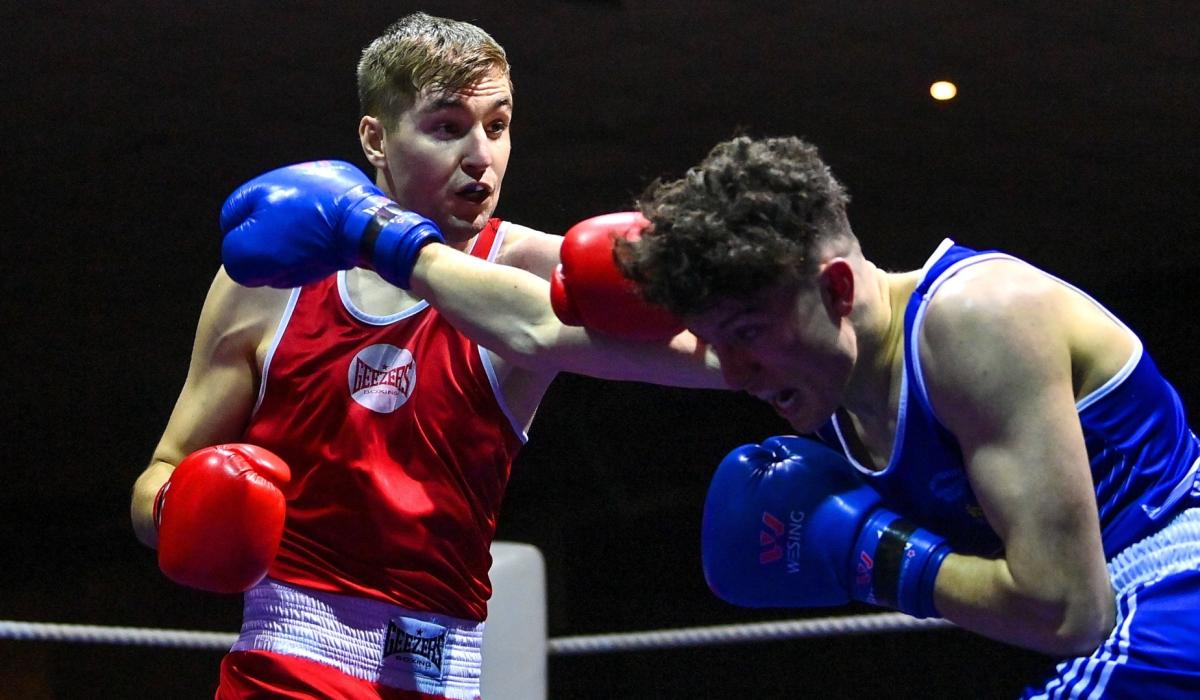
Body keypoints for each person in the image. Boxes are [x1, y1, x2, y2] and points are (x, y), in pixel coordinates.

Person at [130, 12, 720, 699]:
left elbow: (712, 351)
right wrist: (181, 507)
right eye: (447, 127)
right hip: (279, 674)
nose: (482, 156)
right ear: (375, 138)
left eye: (496, 127)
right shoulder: (266, 285)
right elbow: (161, 474)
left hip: (437, 679)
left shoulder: (530, 268)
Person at [614, 134, 1200, 697]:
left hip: (1174, 577)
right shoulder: (812, 369)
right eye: (716, 344)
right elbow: (542, 330)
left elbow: (1069, 611)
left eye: (745, 334)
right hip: (1128, 626)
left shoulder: (976, 320)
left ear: (837, 290)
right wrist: (516, 244)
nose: (735, 375)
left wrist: (870, 553)